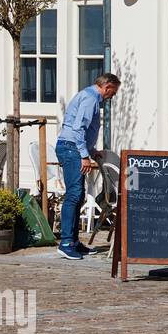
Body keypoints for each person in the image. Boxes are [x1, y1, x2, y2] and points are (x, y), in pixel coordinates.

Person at [54, 73, 120, 260]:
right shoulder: (90, 99)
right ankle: (66, 243)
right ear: (107, 87)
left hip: (74, 148)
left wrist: (91, 150)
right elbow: (78, 129)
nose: (112, 96)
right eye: (113, 92)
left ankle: (73, 242)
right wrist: (84, 155)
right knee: (74, 194)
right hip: (71, 148)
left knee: (79, 195)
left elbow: (84, 130)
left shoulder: (90, 97)